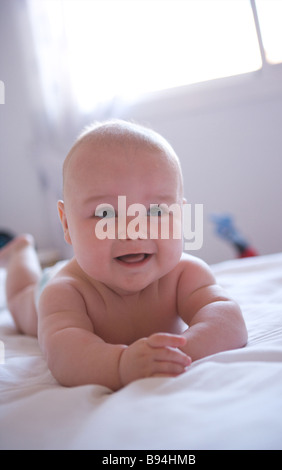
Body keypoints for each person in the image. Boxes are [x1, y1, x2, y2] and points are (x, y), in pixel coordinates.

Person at [0, 120, 247, 390]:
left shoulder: (185, 274)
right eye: (106, 214)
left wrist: (178, 354)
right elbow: (64, 356)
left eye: (155, 211)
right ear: (67, 224)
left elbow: (228, 319)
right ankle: (20, 252)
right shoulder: (65, 292)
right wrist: (121, 364)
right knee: (21, 300)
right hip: (45, 288)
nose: (134, 231)